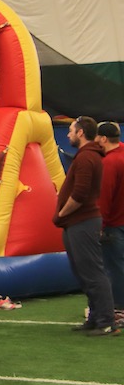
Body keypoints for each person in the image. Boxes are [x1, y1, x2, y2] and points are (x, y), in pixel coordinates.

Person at [57, 116, 114, 335]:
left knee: (92, 272)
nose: (68, 134)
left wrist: (62, 213)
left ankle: (105, 320)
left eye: (71, 130)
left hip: (82, 221)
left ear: (81, 133)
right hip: (79, 221)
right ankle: (97, 317)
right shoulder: (88, 156)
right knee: (85, 271)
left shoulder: (86, 157)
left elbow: (80, 194)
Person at [97, 121, 124, 326]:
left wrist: (100, 224)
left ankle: (119, 309)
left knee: (115, 268)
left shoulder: (110, 162)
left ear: (104, 139)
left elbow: (104, 197)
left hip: (114, 223)